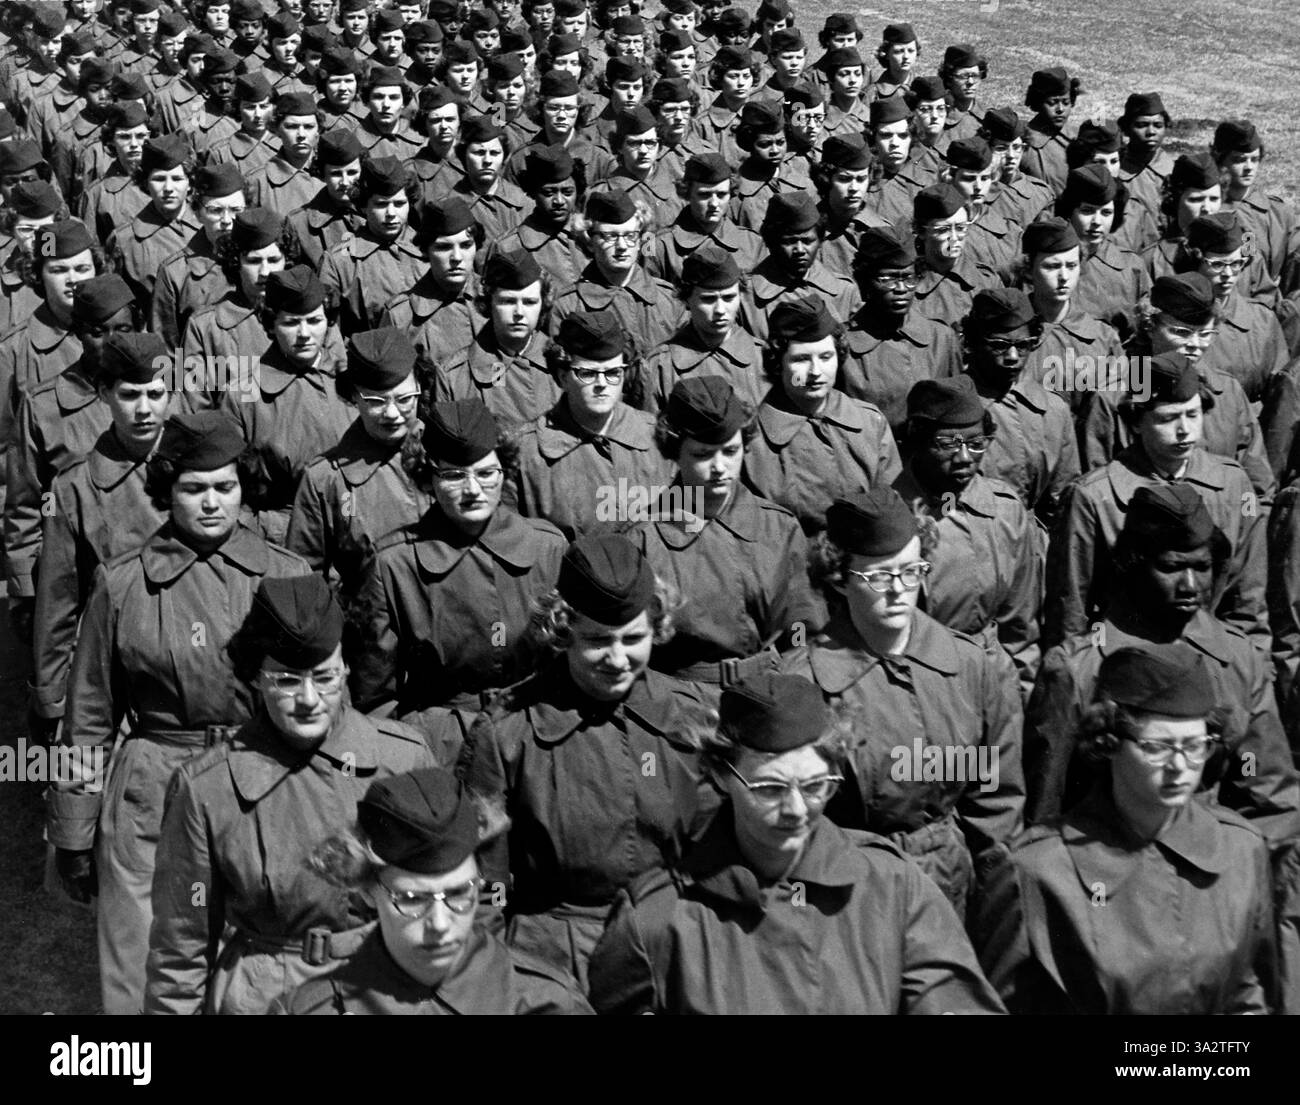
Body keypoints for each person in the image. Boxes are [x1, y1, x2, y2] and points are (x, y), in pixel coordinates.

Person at [46, 412, 311, 1015]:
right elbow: (87, 717)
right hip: (152, 792)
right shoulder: (122, 585)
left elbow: (321, 702)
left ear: (245, 487)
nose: (212, 502)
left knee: (252, 976)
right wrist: (74, 829)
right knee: (145, 976)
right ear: (167, 493)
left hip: (258, 783)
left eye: (225, 486)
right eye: (194, 488)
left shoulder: (287, 576)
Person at [588, 669, 1006, 1014]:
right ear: (719, 775)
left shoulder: (892, 888)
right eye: (769, 789)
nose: (796, 810)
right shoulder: (661, 922)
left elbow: (950, 996)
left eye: (814, 786)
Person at [144, 573, 435, 1014]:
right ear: (256, 677)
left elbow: (449, 902)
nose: (308, 699)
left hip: (383, 985)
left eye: (325, 677)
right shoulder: (208, 787)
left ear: (348, 669)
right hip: (264, 993)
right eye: (286, 680)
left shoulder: (403, 760)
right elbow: (180, 946)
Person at [457, 532, 716, 986]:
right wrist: (494, 979)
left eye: (633, 639)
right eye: (598, 641)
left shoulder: (694, 716)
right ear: (563, 632)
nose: (617, 659)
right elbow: (483, 886)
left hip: (674, 942)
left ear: (656, 628)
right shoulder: (507, 733)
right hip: (553, 959)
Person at [975, 643, 1276, 1014]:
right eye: (1158, 747)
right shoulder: (1037, 873)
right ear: (1109, 741)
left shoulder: (1241, 851)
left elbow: (1253, 992)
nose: (1180, 765)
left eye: (1196, 745)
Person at [784, 488, 1025, 916]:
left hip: (953, 885)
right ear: (839, 578)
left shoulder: (972, 666)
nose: (898, 590)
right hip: (850, 892)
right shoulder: (803, 683)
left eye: (911, 571)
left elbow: (996, 804)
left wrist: (995, 906)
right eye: (878, 578)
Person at [1027, 483, 1298, 831]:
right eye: (1171, 567)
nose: (1190, 585)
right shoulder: (1077, 670)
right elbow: (1046, 811)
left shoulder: (1238, 659)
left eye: (1202, 567)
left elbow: (1269, 794)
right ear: (1132, 565)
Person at [276, 767, 592, 1014]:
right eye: (413, 900)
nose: (440, 924)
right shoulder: (313, 1008)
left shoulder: (544, 1003)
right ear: (368, 891)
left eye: (458, 894)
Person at [352, 400, 567, 751]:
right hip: (439, 741)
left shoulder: (549, 549)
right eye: (453, 475)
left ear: (504, 472)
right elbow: (375, 698)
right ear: (427, 477)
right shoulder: (393, 565)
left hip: (537, 734)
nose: (473, 490)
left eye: (486, 473)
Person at [1046, 352, 1267, 651]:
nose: (1184, 430)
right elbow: (1070, 610)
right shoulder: (1093, 496)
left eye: (1193, 414)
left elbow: (1248, 599)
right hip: (1124, 660)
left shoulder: (1233, 484)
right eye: (1168, 418)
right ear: (1136, 423)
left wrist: (1245, 669)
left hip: (1211, 659)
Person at [626, 376, 822, 710]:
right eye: (703, 454)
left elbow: (803, 628)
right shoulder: (643, 539)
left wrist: (793, 680)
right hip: (683, 703)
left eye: (730, 451)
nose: (720, 468)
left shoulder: (779, 527)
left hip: (772, 693)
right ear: (675, 452)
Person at [31, 331, 172, 743]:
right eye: (129, 395)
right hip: (117, 668)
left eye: (156, 393)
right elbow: (58, 602)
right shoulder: (74, 489)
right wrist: (52, 701)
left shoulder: (200, 471)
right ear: (104, 393)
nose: (145, 409)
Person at [894, 376, 1044, 694]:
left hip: (995, 679)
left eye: (977, 444)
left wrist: (1022, 691)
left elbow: (1020, 621)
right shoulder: (892, 515)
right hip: (922, 682)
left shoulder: (1005, 509)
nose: (964, 458)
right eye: (948, 444)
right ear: (918, 443)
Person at [286, 327, 430, 602]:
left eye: (403, 399)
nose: (391, 413)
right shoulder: (325, 481)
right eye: (375, 401)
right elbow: (305, 579)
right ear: (353, 396)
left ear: (420, 391)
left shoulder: (445, 456)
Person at [743, 294, 899, 536]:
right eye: (801, 359)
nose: (816, 372)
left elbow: (890, 506)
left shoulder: (870, 422)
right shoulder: (750, 438)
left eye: (826, 357)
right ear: (778, 363)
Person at [507, 311, 672, 538]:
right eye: (587, 373)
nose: (602, 384)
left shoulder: (659, 439)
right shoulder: (526, 453)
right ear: (563, 377)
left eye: (613, 372)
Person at [220, 265, 353, 545]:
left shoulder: (351, 379)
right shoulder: (243, 395)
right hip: (284, 536)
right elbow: (229, 483)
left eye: (314, 321)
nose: (304, 334)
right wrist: (263, 532)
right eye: (291, 323)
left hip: (353, 522)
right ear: (270, 325)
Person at [841, 224, 963, 434]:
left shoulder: (941, 339)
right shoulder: (841, 344)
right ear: (865, 282)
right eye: (887, 279)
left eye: (908, 278)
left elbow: (957, 409)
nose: (900, 289)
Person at [437, 250, 558, 428]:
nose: (519, 313)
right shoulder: (454, 376)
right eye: (508, 302)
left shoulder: (562, 366)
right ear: (488, 302)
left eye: (529, 302)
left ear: (543, 304)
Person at [553, 189, 682, 351]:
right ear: (590, 242)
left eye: (630, 236)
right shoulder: (568, 306)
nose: (621, 246)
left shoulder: (669, 299)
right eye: (610, 236)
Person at [640, 246, 764, 410]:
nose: (720, 310)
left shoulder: (763, 358)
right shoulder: (660, 366)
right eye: (708, 299)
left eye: (729, 298)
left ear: (740, 297)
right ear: (687, 299)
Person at [318, 155, 424, 338]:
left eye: (399, 204)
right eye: (381, 204)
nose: (391, 213)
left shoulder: (429, 250)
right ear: (364, 207)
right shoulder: (340, 261)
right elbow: (329, 330)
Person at [379, 197, 484, 365]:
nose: (456, 257)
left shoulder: (497, 298)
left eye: (465, 246)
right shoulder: (401, 317)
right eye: (444, 247)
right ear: (426, 251)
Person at [747, 191, 860, 341]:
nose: (800, 250)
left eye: (807, 241)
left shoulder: (844, 291)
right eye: (790, 241)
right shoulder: (747, 296)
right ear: (771, 242)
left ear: (820, 241)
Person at [1055, 163, 1149, 341]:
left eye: (1106, 213)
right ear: (1069, 211)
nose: (1097, 221)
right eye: (1087, 211)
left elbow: (1144, 333)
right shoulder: (1049, 261)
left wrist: (1137, 369)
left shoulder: (1131, 266)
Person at [648, 151, 763, 283]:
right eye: (704, 195)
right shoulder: (654, 243)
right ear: (688, 193)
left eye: (721, 195)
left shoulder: (753, 242)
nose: (714, 204)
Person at [1019, 67, 1081, 197]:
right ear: (1038, 103)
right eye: (1052, 103)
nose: (1060, 109)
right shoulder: (1024, 142)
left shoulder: (1079, 137)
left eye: (1066, 102)